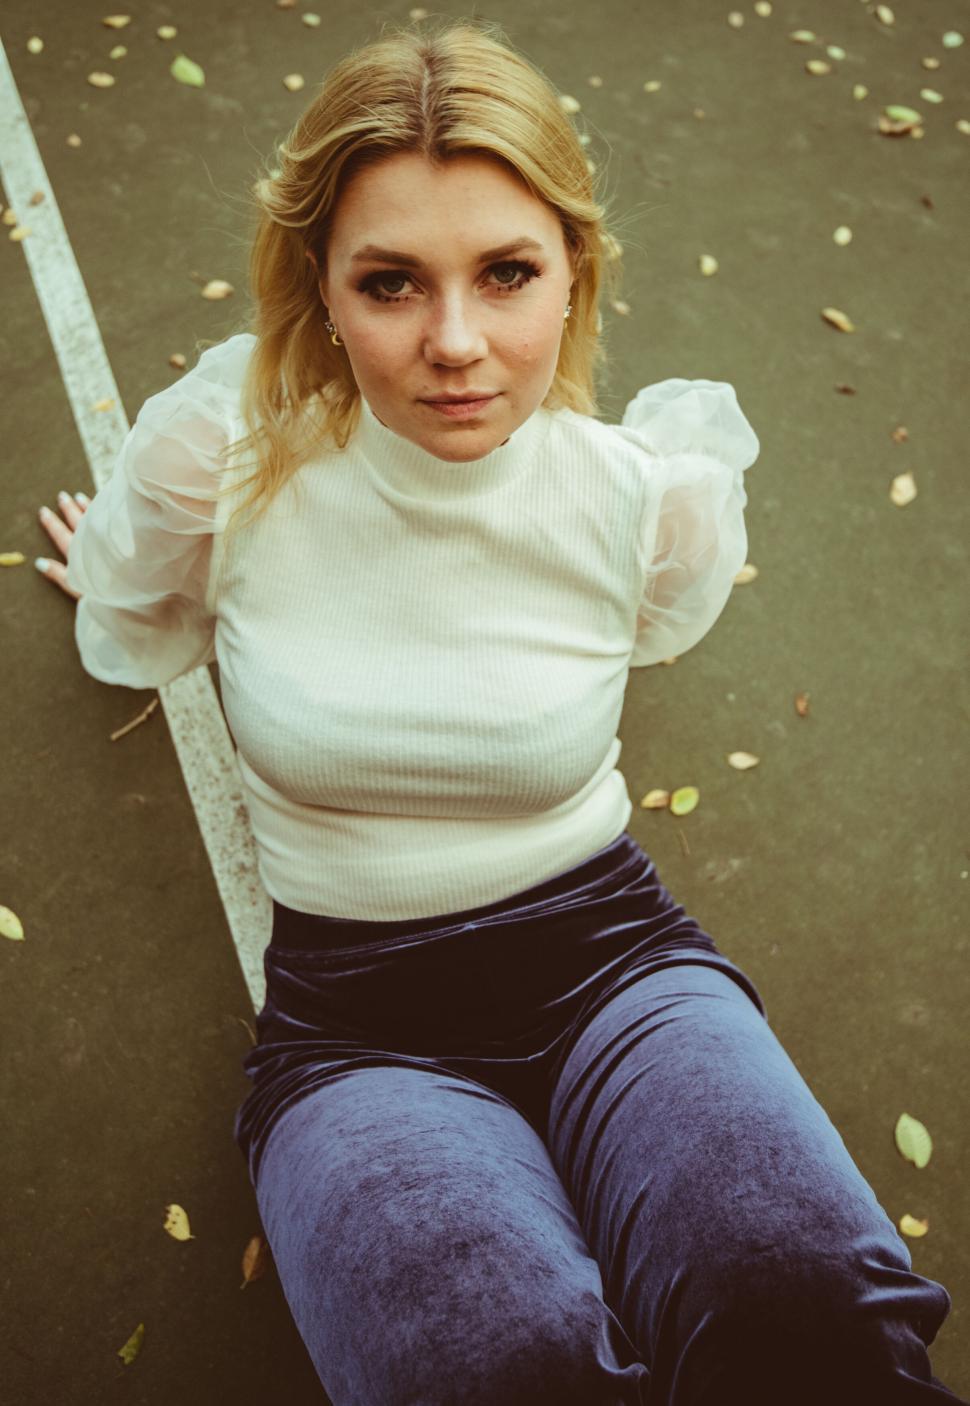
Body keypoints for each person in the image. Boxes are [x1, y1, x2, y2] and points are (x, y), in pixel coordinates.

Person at [37, 16, 967, 1406]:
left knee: (810, 1308)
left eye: (507, 273)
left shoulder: (642, 494)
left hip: (616, 967)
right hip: (354, 1030)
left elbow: (640, 627)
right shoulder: (222, 456)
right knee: (491, 1367)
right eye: (393, 282)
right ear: (321, 287)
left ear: (573, 271)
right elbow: (133, 628)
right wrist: (128, 542)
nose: (456, 344)